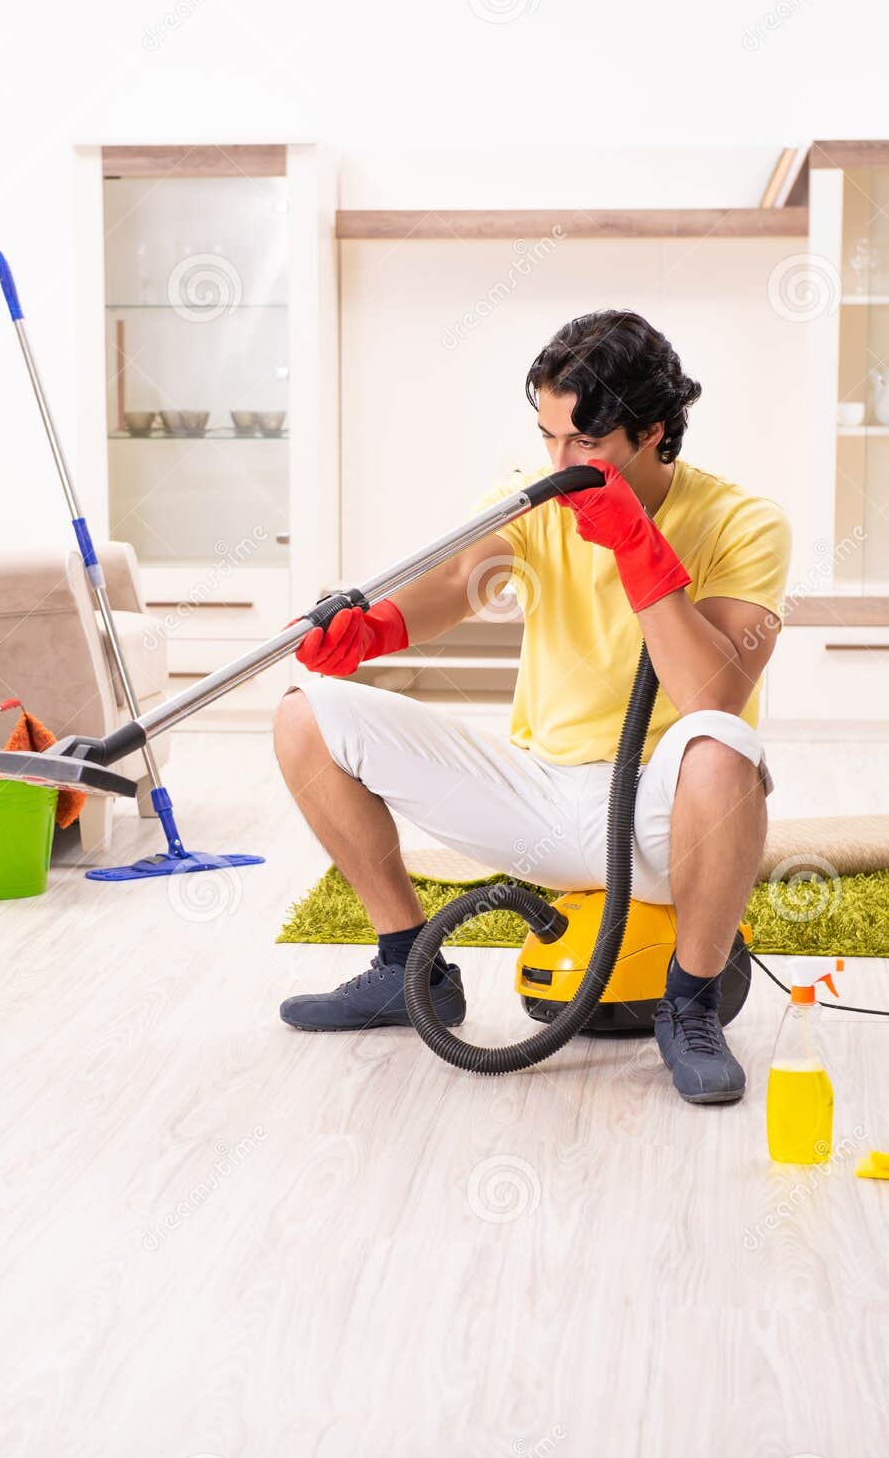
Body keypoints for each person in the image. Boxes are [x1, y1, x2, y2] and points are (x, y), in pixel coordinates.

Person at [273, 310, 791, 1104]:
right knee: (307, 712)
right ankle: (406, 966)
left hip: (664, 817)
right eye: (549, 437)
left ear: (652, 431)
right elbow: (455, 584)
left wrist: (636, 547)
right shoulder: (538, 504)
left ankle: (690, 1004)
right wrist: (368, 631)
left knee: (725, 745)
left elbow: (712, 694)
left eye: (585, 442)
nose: (560, 462)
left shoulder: (744, 523)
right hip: (540, 799)